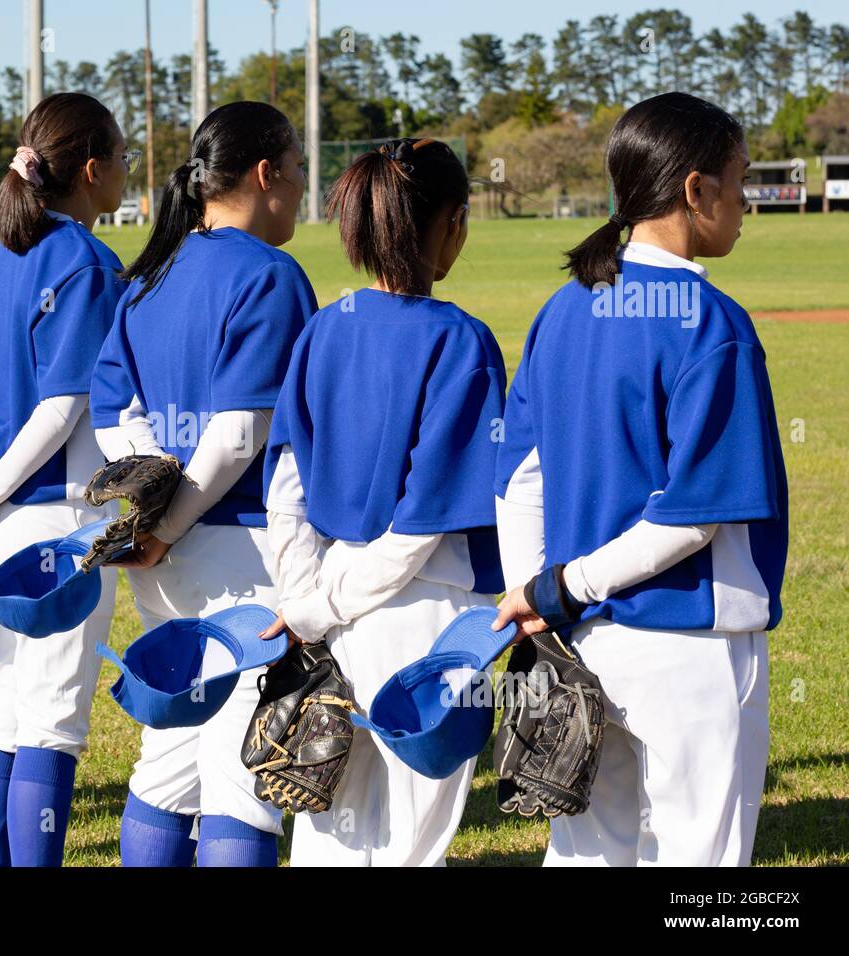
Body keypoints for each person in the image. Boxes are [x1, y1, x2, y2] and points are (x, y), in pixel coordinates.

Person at [492, 92, 787, 867]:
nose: (746, 201)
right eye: (740, 179)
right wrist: (562, 588)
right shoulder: (711, 320)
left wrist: (538, 594)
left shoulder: (562, 309)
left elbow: (520, 473)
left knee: (588, 855)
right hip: (688, 638)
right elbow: (695, 514)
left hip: (578, 638)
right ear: (697, 190)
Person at [261, 138, 506, 866]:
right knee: (407, 842)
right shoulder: (463, 340)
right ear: (452, 224)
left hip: (331, 605)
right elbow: (422, 523)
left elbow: (286, 489)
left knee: (326, 823)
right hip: (425, 617)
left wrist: (306, 598)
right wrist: (319, 604)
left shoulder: (322, 327)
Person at [89, 101, 317, 867]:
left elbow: (113, 411)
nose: (298, 186)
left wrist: (153, 505)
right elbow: (242, 432)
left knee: (172, 760)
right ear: (264, 174)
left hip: (166, 561)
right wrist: (168, 522)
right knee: (243, 779)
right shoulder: (270, 274)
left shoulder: (152, 274)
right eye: (295, 169)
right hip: (239, 549)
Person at [0, 92, 136, 866]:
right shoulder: (85, 259)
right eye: (120, 156)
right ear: (90, 168)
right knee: (49, 719)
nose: (125, 171)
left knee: (0, 704)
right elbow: (62, 407)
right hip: (53, 517)